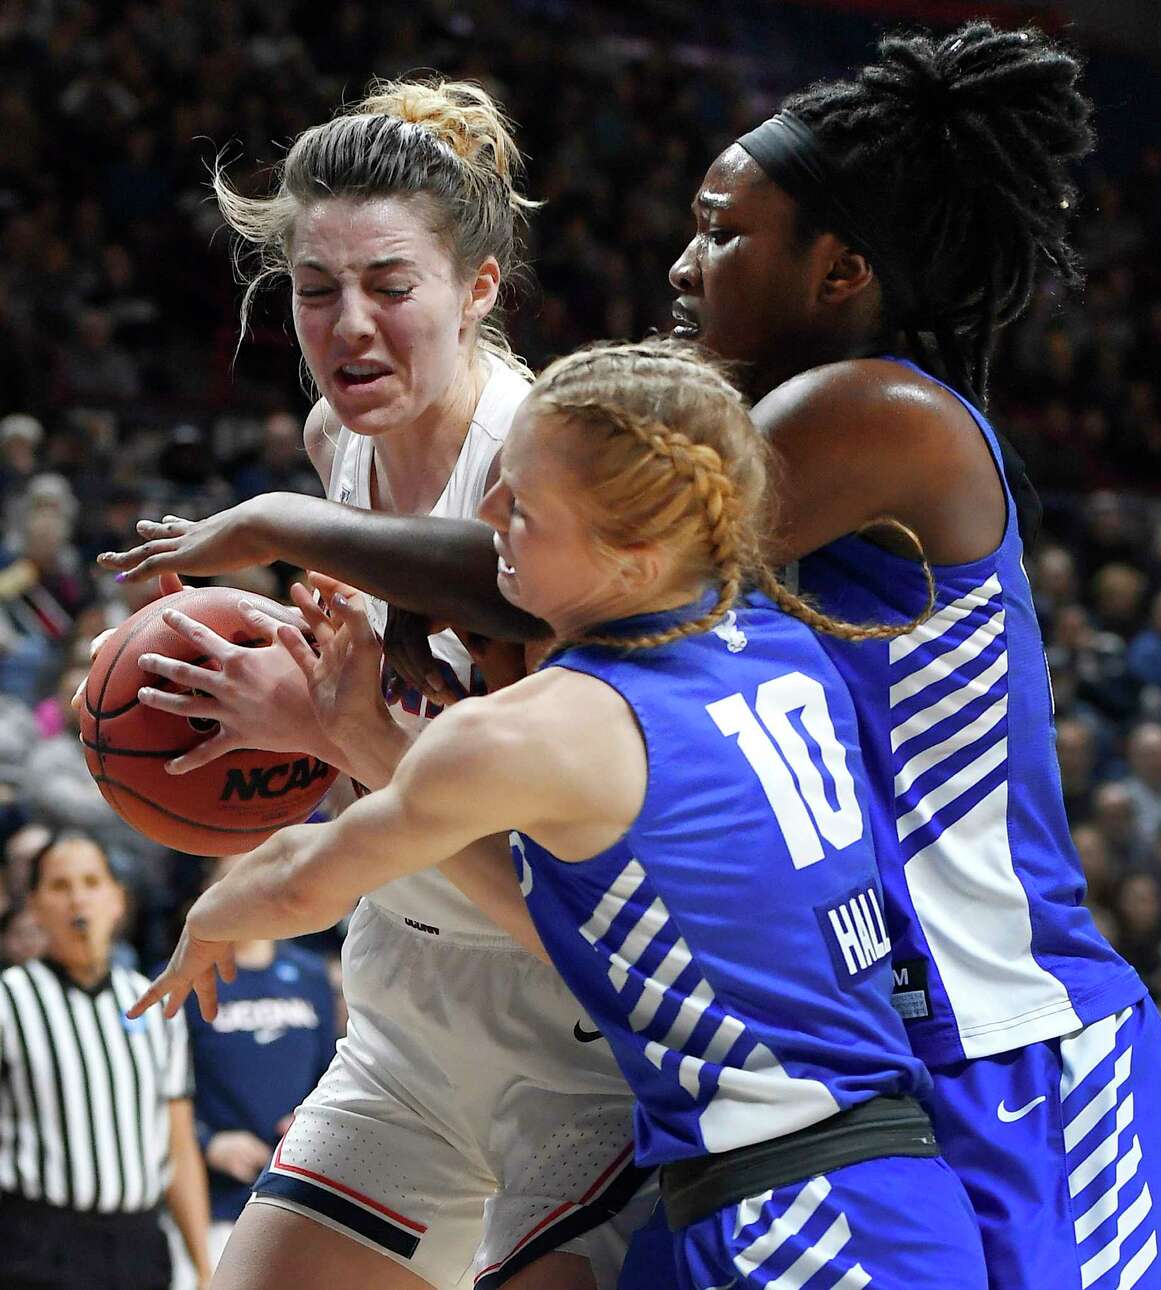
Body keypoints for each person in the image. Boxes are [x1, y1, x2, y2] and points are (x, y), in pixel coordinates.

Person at [99, 24, 1161, 1287]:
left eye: (723, 232)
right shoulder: (730, 431)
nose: (680, 264)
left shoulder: (874, 416)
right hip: (821, 1042)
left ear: (839, 270)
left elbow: (544, 586)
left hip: (1007, 1023)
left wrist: (293, 547)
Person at [133, 339, 988, 1290]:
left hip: (787, 1216)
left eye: (522, 505)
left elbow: (301, 879)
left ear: (633, 554)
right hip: (887, 1180)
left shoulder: (550, 726)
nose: (487, 516)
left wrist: (210, 918)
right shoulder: (786, 645)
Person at [116, 77, 651, 1290]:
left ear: (477, 290)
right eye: (317, 291)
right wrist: (293, 711)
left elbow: (569, 907)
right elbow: (366, 739)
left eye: (390, 287)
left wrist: (340, 734)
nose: (350, 325)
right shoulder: (334, 440)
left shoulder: (539, 488)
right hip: (403, 1014)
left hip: (572, 1044)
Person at [0, 833, 210, 1290]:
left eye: (92, 882)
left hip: (139, 1243)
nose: (78, 898)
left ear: (118, 899)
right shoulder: (9, 999)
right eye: (59, 886)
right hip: (36, 1241)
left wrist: (203, 1265)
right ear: (33, 905)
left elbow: (179, 1143)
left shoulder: (154, 1001)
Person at [179, 857, 337, 1274]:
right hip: (217, 1207)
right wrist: (207, 1142)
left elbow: (333, 1075)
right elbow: (157, 1096)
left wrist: (310, 1121)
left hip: (302, 1202)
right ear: (207, 894)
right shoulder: (179, 980)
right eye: (230, 879)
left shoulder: (310, 974)